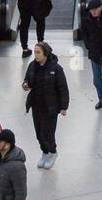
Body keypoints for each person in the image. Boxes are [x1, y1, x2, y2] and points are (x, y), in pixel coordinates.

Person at [23, 41, 70, 170]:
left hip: (50, 108)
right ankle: (45, 152)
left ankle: (53, 152)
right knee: (39, 133)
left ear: (45, 53)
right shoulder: (33, 66)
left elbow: (63, 88)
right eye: (35, 52)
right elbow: (27, 79)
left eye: (38, 52)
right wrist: (26, 85)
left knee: (48, 133)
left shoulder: (56, 69)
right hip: (36, 105)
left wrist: (64, 107)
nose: (36, 55)